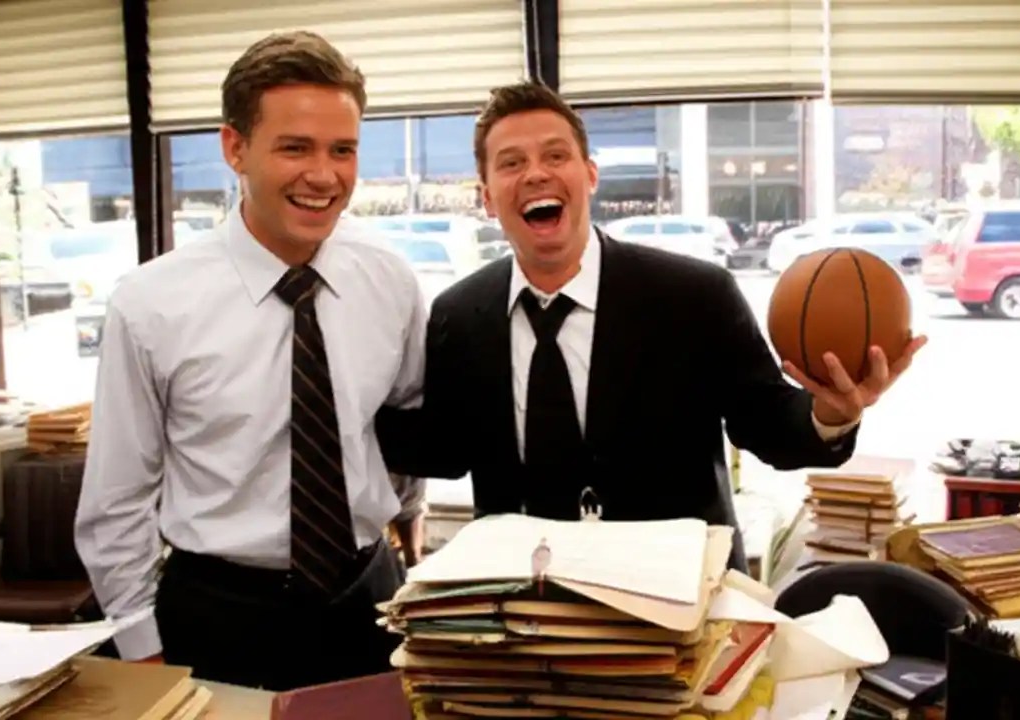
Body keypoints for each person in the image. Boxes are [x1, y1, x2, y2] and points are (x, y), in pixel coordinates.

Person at [377, 81, 926, 570]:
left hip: (678, 596)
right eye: (511, 162)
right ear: (487, 197)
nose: (536, 173)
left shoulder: (695, 295)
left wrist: (830, 414)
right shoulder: (458, 313)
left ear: (589, 175)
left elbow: (766, 425)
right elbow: (445, 450)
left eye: (555, 155)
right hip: (531, 602)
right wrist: (334, 403)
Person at [73, 30, 428, 690]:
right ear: (234, 148)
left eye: (342, 150)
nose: (324, 175)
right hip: (219, 616)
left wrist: (409, 565)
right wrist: (143, 652)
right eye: (294, 147)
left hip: (369, 603)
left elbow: (403, 442)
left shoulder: (392, 283)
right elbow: (116, 502)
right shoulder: (152, 304)